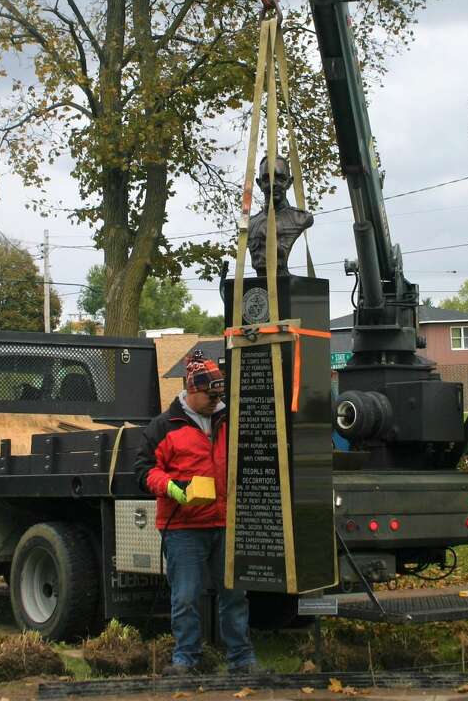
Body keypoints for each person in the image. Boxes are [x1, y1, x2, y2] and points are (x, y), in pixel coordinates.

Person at [134, 351, 262, 675]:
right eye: (211, 395)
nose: (217, 400)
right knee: (186, 596)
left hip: (225, 522)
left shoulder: (229, 419)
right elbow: (144, 470)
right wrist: (171, 487)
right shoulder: (162, 427)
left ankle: (241, 660)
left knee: (235, 595)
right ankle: (186, 660)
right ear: (191, 390)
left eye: (220, 395)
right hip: (183, 527)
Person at [248, 154, 313, 275]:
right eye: (267, 179)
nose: (273, 184)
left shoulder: (300, 218)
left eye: (280, 178)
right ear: (259, 184)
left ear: (289, 182)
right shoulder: (250, 224)